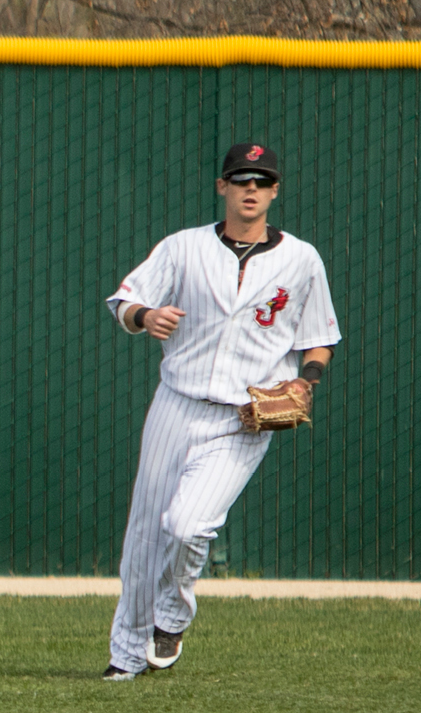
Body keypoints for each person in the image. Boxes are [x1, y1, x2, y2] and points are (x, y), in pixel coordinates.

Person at [102, 143, 341, 680]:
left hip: (244, 418)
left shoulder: (300, 259)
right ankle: (123, 657)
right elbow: (124, 300)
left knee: (188, 526)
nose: (250, 189)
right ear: (223, 188)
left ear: (275, 190)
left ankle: (171, 616)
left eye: (261, 180)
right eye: (240, 179)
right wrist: (145, 316)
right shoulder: (183, 248)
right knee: (146, 533)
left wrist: (307, 382)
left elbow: (321, 338)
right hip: (176, 405)